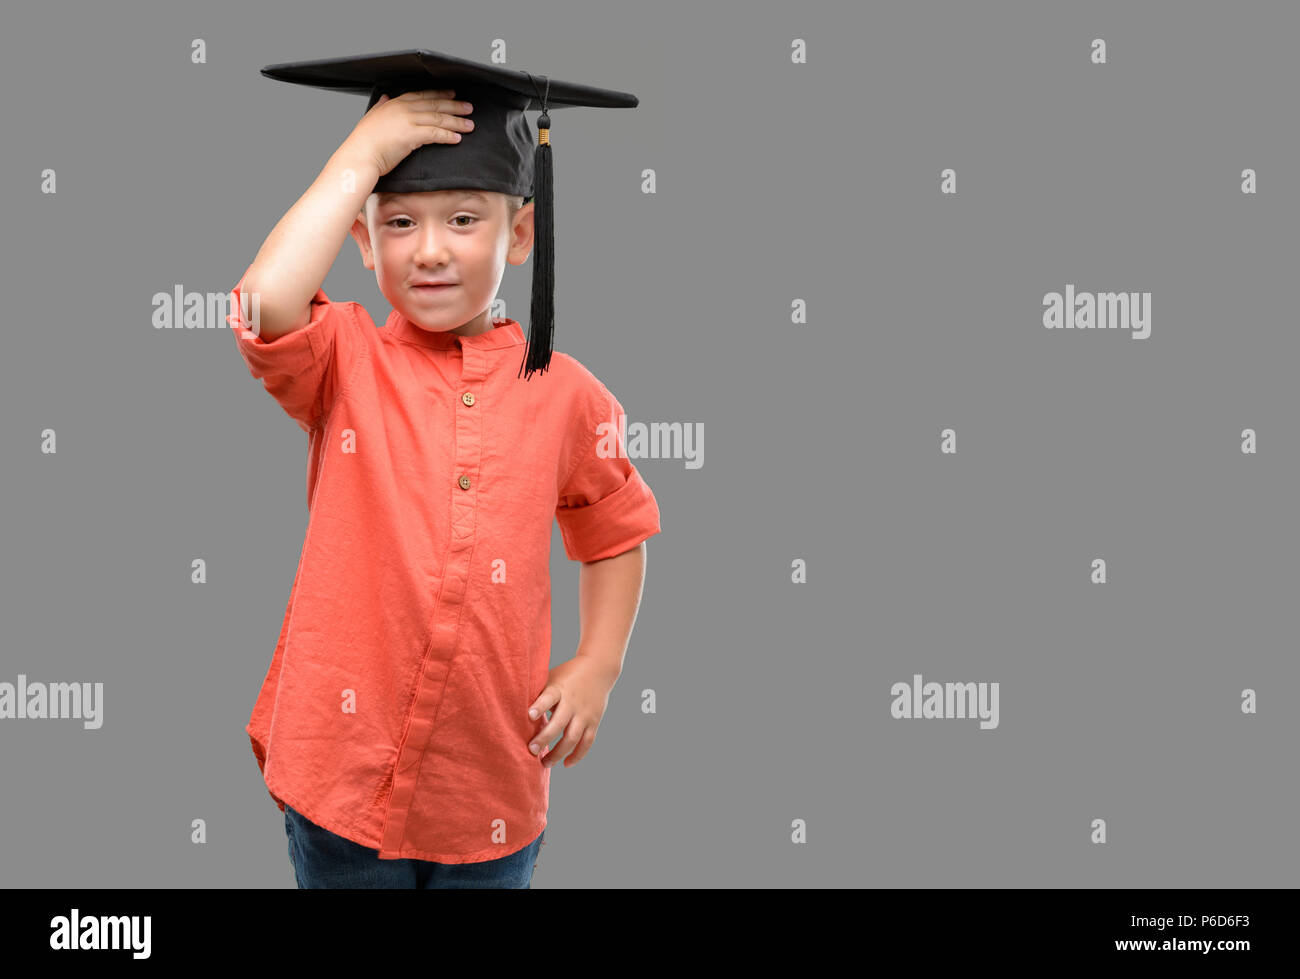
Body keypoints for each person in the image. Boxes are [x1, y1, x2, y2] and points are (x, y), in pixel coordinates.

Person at [226, 49, 661, 888]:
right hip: (340, 785)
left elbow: (615, 530)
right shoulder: (347, 362)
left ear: (521, 233)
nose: (429, 250)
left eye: (465, 220)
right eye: (398, 221)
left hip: (487, 791)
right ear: (362, 237)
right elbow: (263, 303)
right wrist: (361, 158)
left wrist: (599, 662)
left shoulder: (565, 394)